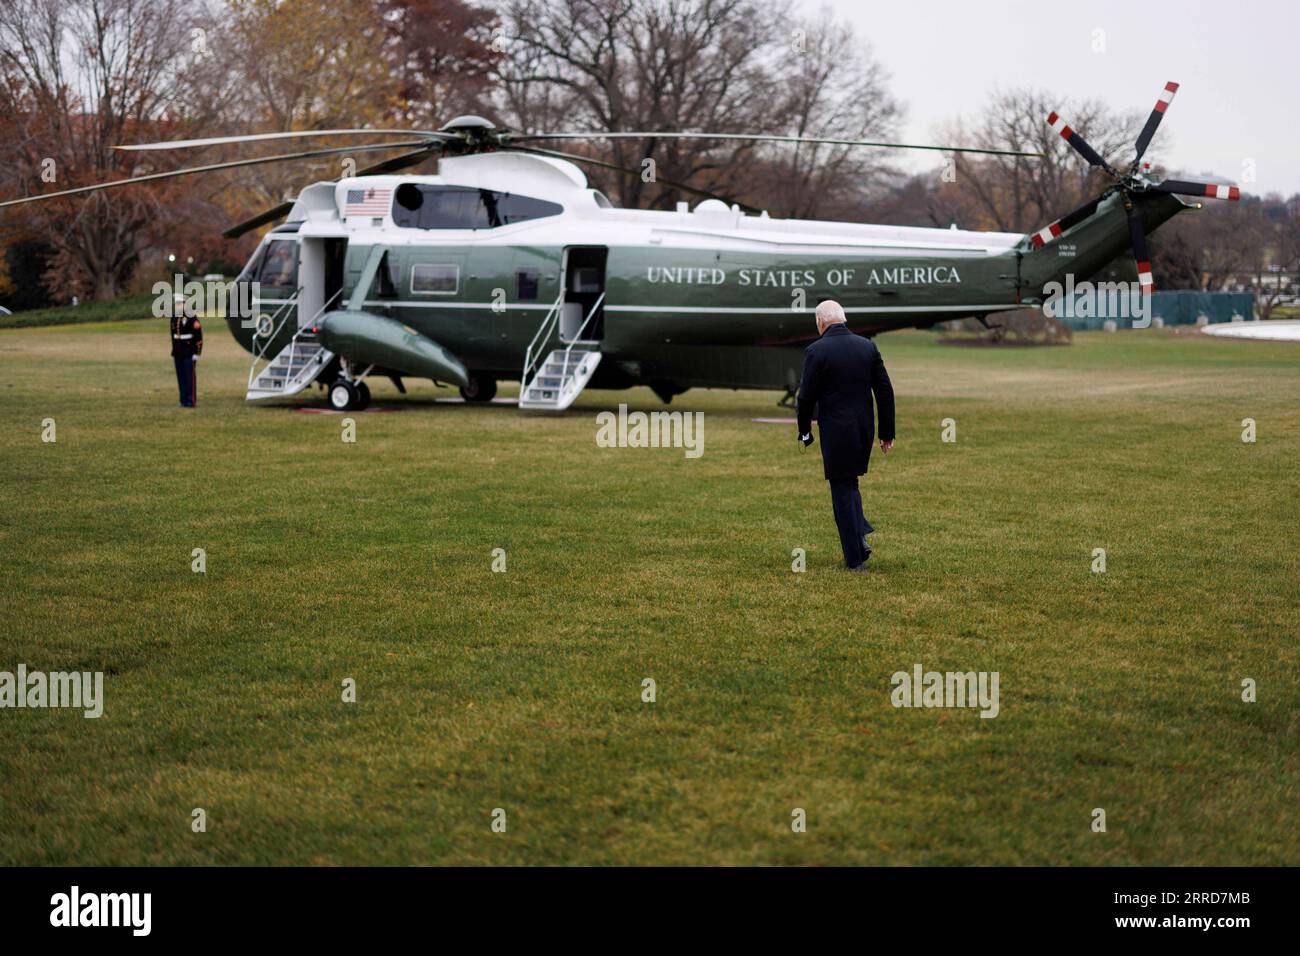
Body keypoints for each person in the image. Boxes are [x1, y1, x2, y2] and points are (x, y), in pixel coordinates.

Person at [796, 300, 896, 572]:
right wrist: (887, 433)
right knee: (850, 483)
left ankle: (854, 560)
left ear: (820, 322)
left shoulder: (816, 351)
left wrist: (804, 431)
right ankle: (860, 537)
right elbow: (885, 391)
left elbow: (805, 397)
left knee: (841, 489)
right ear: (843, 318)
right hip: (864, 429)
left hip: (836, 431)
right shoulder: (867, 347)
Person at [170, 292, 203, 407]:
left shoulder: (191, 317)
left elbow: (198, 336)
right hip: (178, 351)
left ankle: (190, 400)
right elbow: (173, 335)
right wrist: (174, 349)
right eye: (177, 303)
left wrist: (197, 353)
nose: (178, 305)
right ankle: (183, 400)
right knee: (181, 377)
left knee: (190, 377)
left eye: (180, 303)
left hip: (189, 351)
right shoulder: (174, 317)